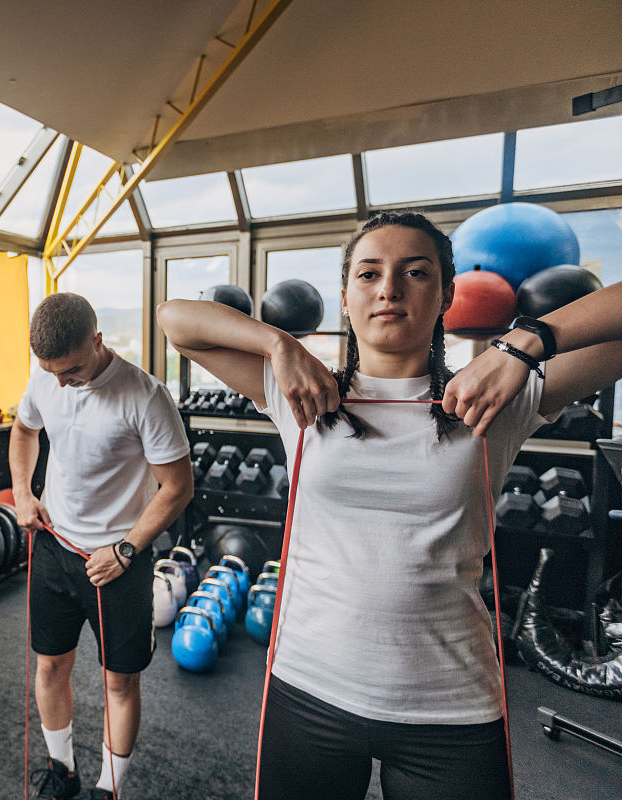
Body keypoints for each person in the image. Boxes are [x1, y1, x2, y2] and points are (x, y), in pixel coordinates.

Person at [158, 210, 622, 800]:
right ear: (346, 297)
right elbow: (175, 320)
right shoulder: (303, 395)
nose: (389, 289)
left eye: (415, 273)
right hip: (308, 689)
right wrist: (277, 343)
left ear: (447, 295)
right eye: (368, 274)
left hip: (449, 706)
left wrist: (526, 343)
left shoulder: (490, 397)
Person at [10, 293, 193, 800]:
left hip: (118, 562)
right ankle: (62, 770)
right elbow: (24, 431)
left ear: (97, 342)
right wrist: (24, 492)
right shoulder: (46, 379)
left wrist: (128, 550)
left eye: (70, 370)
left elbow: (178, 487)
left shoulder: (145, 396)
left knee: (118, 682)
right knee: (50, 666)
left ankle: (108, 789)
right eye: (51, 372)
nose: (61, 382)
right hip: (53, 549)